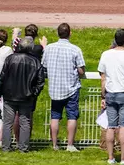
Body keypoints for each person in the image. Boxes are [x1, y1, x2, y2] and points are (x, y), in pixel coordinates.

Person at [98, 28, 124, 165]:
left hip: (110, 94)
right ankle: (123, 158)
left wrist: (103, 96)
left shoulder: (106, 54)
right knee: (123, 127)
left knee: (111, 126)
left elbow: (103, 78)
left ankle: (110, 158)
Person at [0, 37, 45, 153]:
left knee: (8, 122)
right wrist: (34, 93)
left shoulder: (10, 59)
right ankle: (23, 148)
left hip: (9, 95)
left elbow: (2, 77)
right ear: (31, 48)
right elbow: (40, 82)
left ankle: (6, 147)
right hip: (26, 96)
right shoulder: (35, 61)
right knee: (25, 123)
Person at [42, 23, 85, 152]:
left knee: (55, 116)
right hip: (71, 88)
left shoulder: (49, 48)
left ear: (58, 33)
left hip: (55, 88)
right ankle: (70, 145)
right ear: (70, 33)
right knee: (72, 116)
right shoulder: (75, 49)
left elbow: (43, 65)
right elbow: (81, 71)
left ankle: (55, 145)